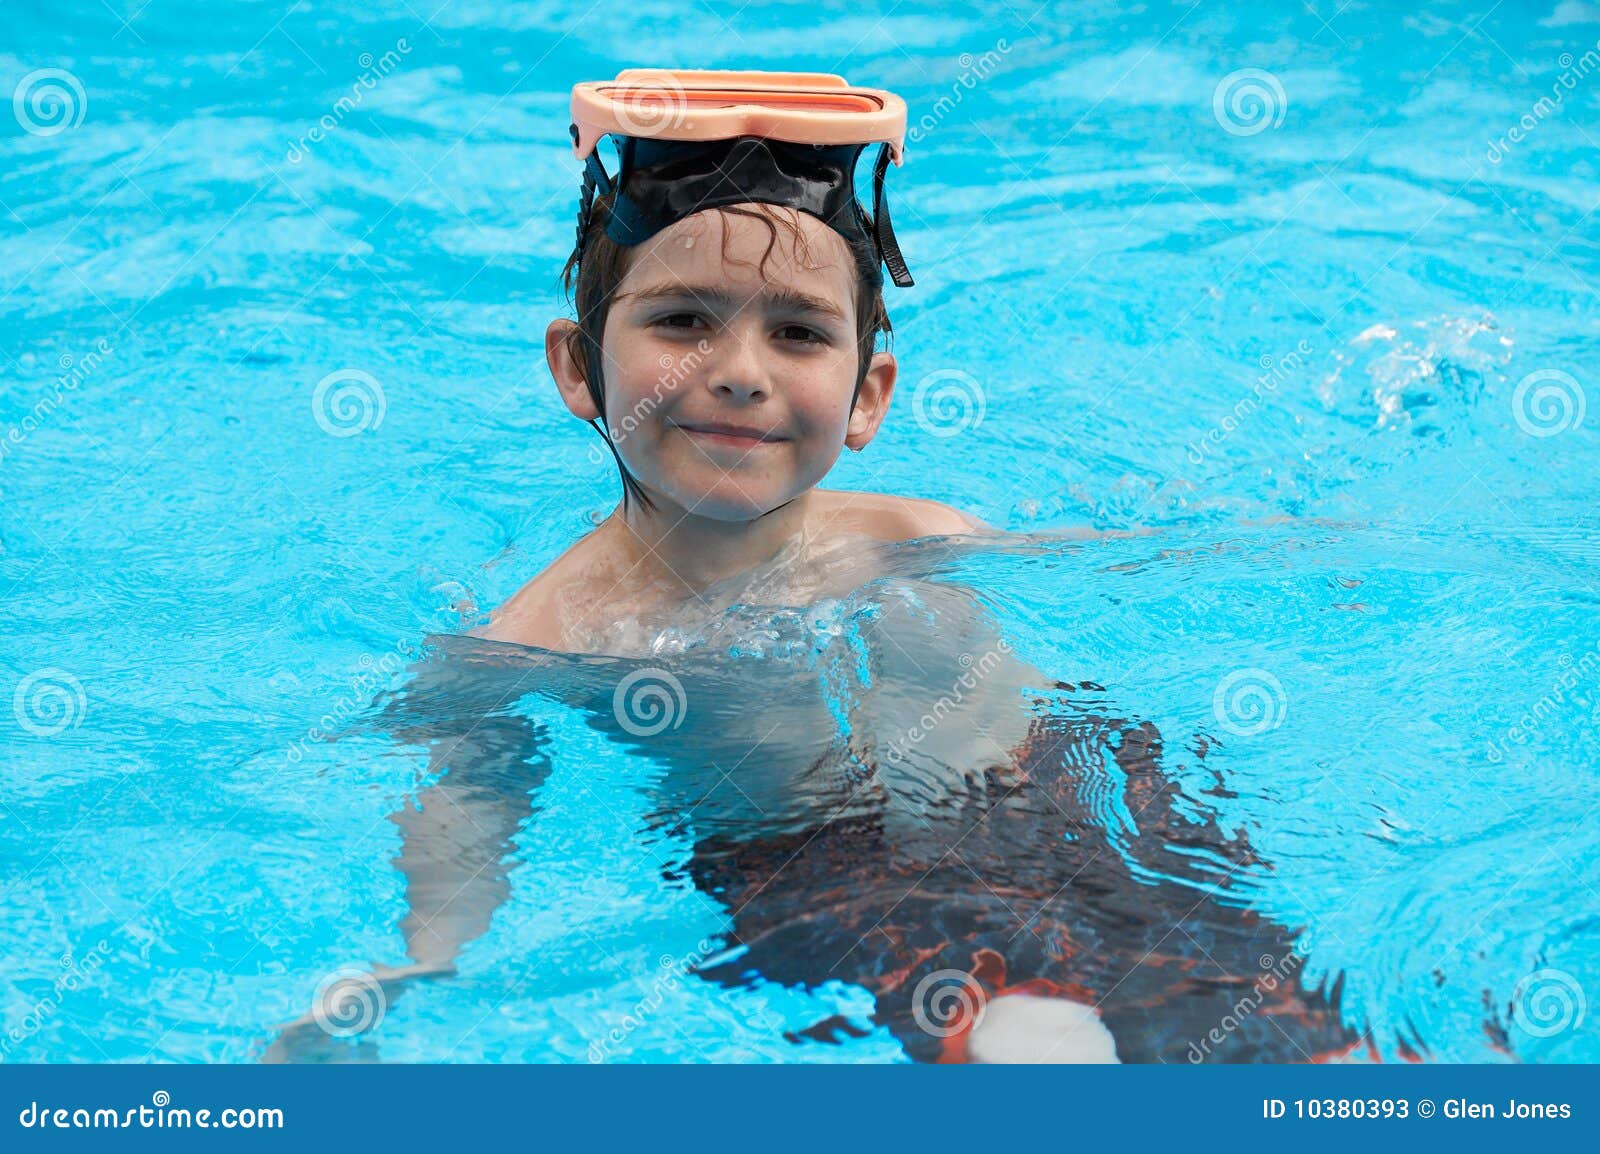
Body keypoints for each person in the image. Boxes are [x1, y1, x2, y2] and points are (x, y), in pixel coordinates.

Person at [260, 70, 1370, 1064]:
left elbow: (1137, 564)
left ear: (868, 393)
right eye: (684, 319)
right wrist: (420, 959)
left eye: (797, 332)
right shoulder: (548, 634)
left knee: (1313, 1052)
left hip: (1078, 801)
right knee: (1034, 1046)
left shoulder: (904, 527)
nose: (739, 372)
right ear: (579, 366)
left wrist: (1299, 543)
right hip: (837, 878)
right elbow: (465, 790)